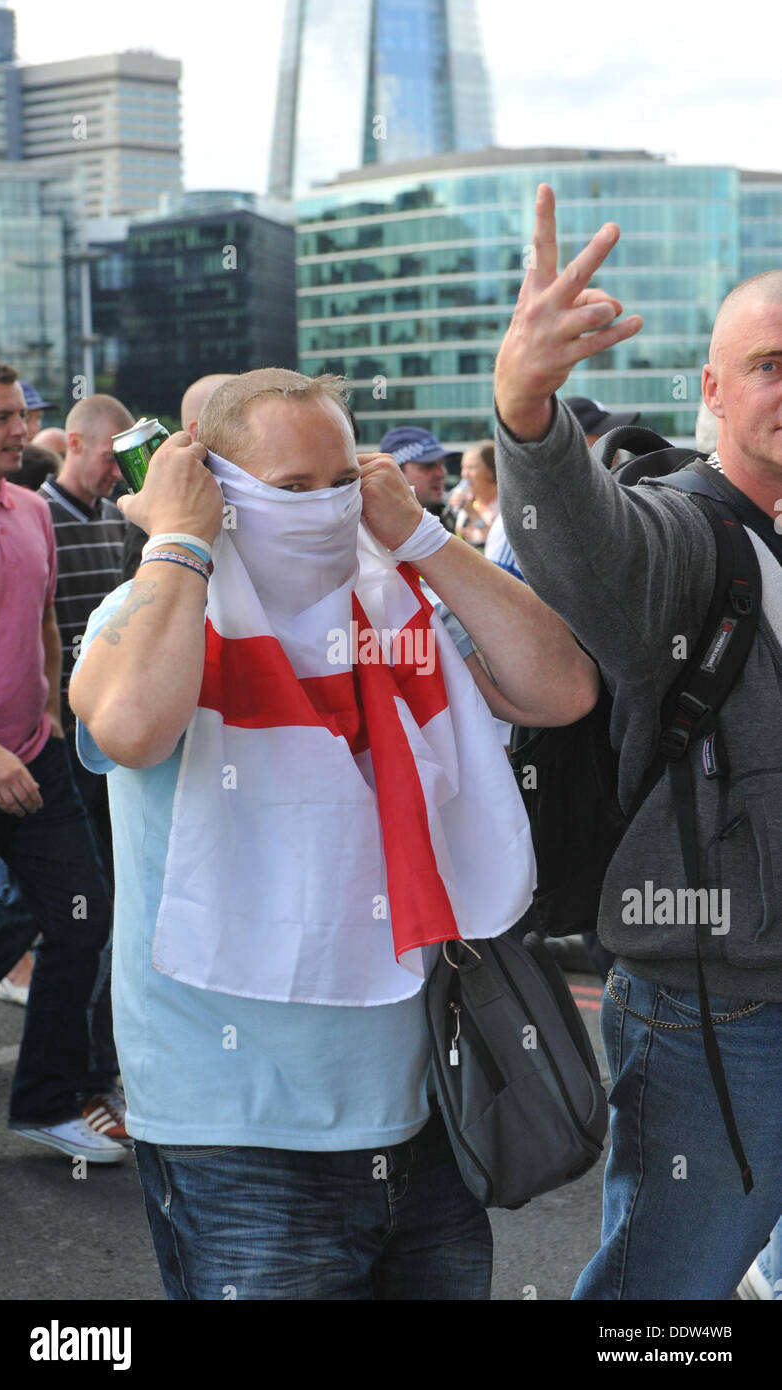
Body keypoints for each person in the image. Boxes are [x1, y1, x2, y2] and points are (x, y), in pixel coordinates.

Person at [69, 367, 598, 1300]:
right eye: (291, 489)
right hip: (236, 1133)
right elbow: (130, 725)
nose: (325, 509)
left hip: (423, 1110)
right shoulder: (154, 610)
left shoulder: (402, 612)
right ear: (218, 486)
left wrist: (424, 538)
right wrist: (182, 538)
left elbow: (560, 688)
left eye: (341, 482)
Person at [493, 183, 782, 1300]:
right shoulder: (680, 533)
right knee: (661, 1293)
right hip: (723, 1004)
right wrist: (528, 410)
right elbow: (582, 541)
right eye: (768, 362)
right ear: (709, 389)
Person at [0, 357, 125, 1166]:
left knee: (83, 915)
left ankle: (44, 1102)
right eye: (0, 417)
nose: (20, 429)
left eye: (18, 413)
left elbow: (41, 624)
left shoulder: (31, 511)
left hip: (37, 756)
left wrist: (45, 712)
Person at [120, 373, 237, 583]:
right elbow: (144, 599)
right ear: (199, 430)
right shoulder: (157, 508)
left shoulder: (248, 496)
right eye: (241, 421)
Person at [378, 426, 456, 532]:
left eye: (442, 463)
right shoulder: (376, 529)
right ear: (396, 472)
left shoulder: (453, 518)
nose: (441, 473)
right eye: (428, 465)